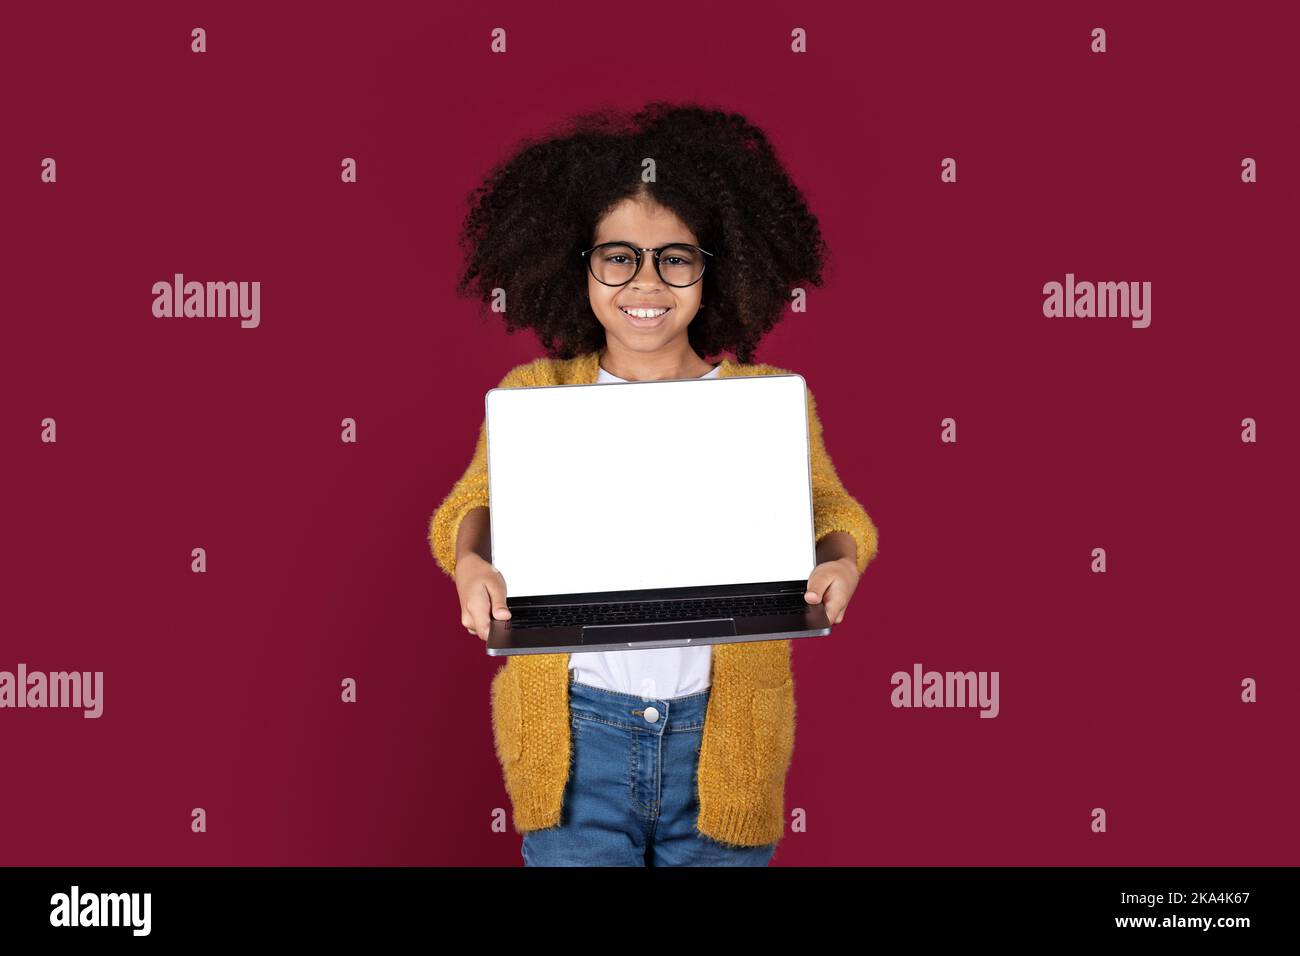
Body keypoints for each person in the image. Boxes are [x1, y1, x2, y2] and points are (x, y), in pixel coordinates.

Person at [429, 103, 880, 866]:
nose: (647, 282)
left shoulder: (768, 396)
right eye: (619, 257)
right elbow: (472, 505)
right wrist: (472, 563)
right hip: (575, 742)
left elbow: (833, 510)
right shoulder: (539, 389)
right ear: (581, 266)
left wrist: (840, 559)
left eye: (675, 258)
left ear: (714, 268)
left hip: (725, 743)